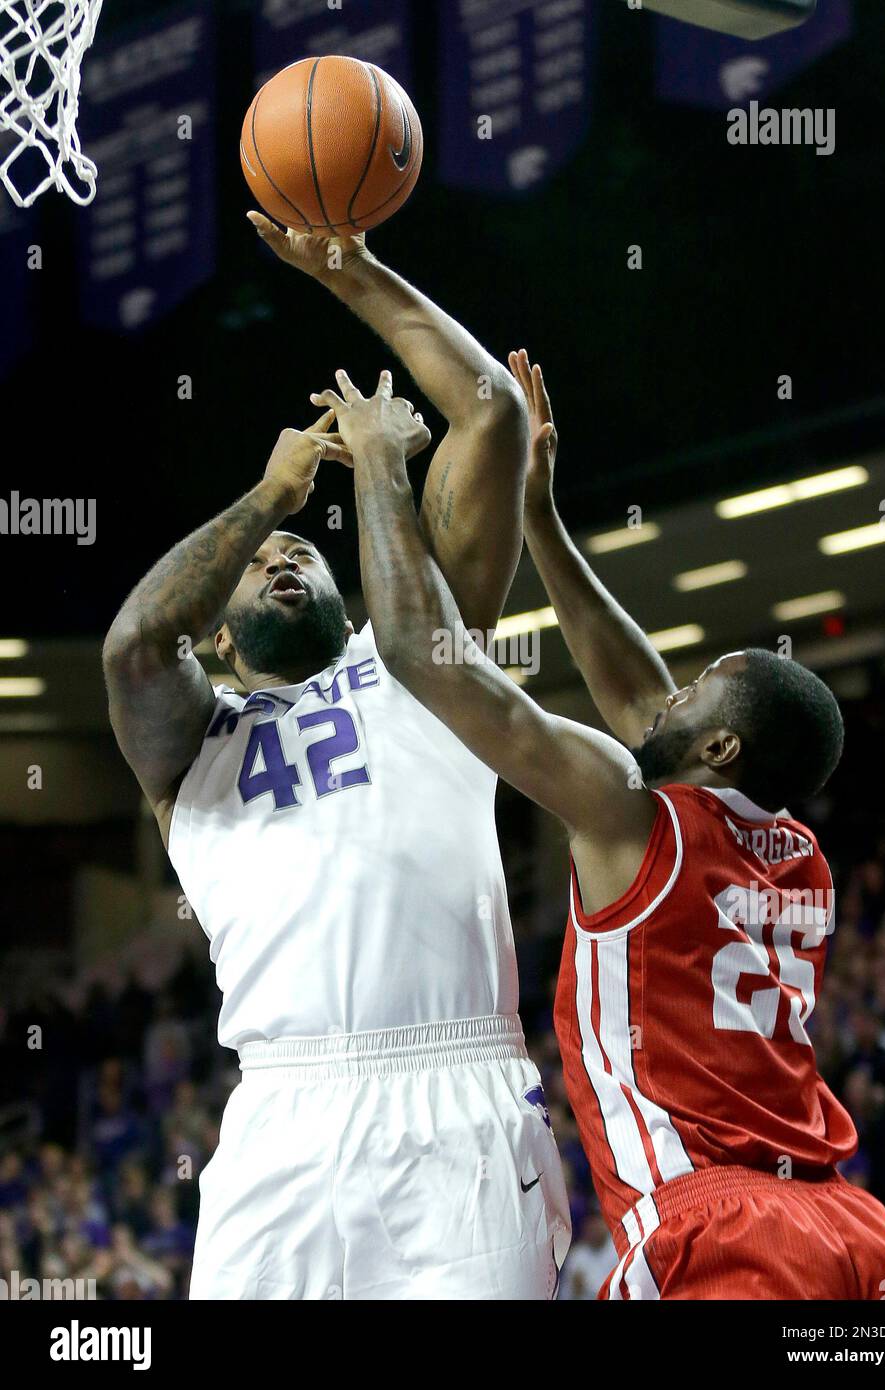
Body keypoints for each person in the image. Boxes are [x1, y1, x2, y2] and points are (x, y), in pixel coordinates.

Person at [326, 360, 885, 1301]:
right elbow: (647, 704)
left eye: (696, 687)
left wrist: (379, 471)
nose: (669, 692)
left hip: (722, 1229)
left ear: (719, 744)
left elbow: (419, 658)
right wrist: (539, 519)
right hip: (845, 1226)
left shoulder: (642, 820)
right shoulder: (798, 855)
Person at [102, 231, 570, 1301]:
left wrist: (343, 266)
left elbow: (491, 409)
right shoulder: (189, 751)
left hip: (459, 1096)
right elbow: (134, 642)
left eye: (300, 548)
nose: (280, 555)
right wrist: (272, 495)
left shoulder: (425, 661)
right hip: (282, 1118)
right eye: (262, 558)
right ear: (219, 644)